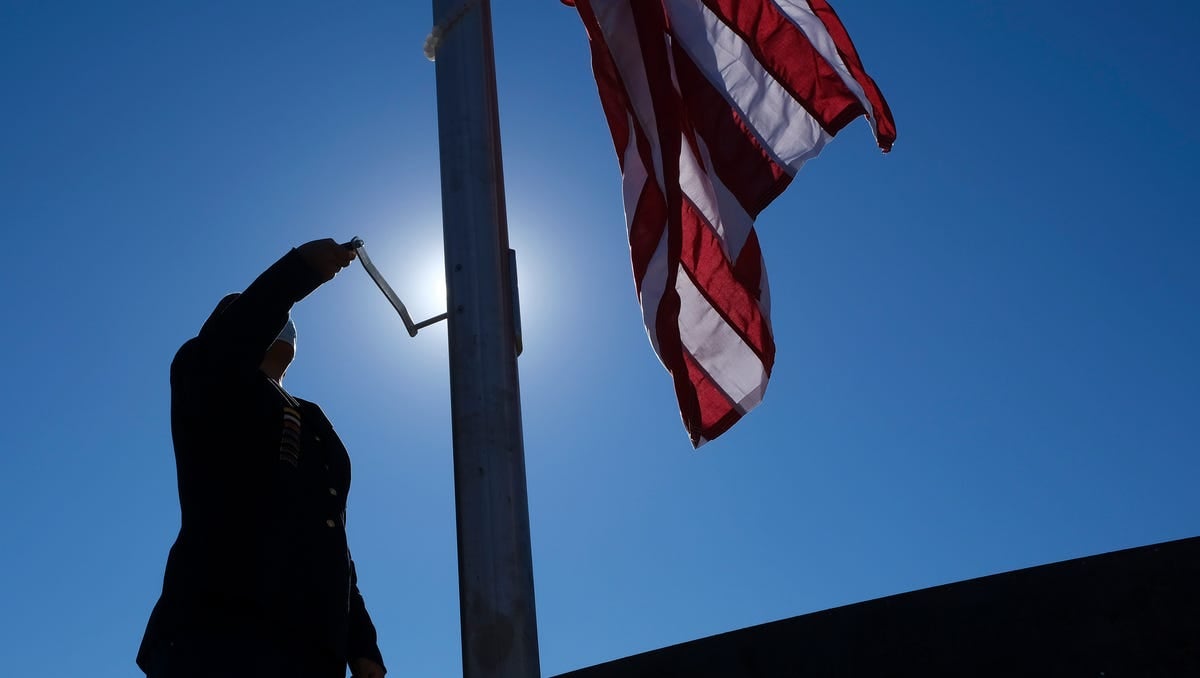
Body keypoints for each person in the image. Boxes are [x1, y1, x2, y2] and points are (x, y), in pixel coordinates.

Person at [138, 239, 387, 678]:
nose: (283, 325)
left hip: (309, 647)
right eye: (256, 314)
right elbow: (235, 336)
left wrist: (361, 643)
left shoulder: (311, 417)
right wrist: (299, 270)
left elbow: (331, 534)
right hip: (219, 632)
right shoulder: (204, 374)